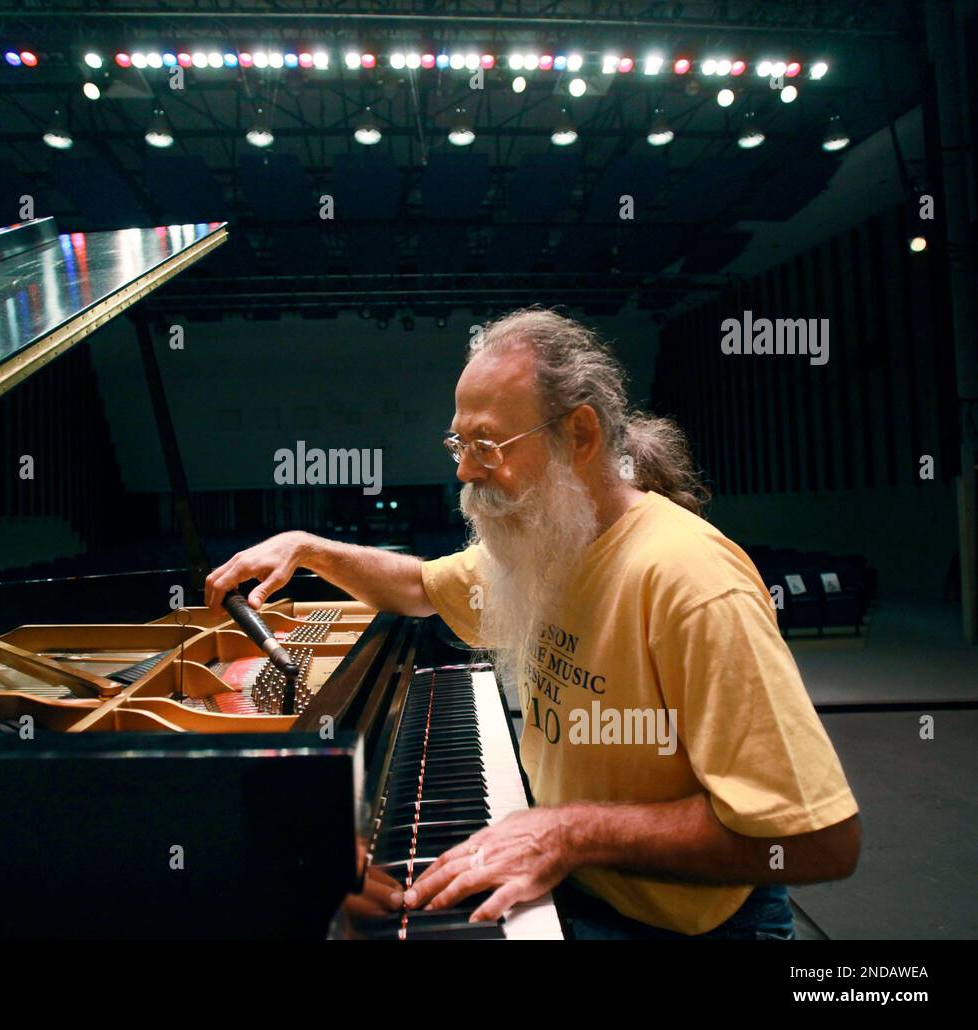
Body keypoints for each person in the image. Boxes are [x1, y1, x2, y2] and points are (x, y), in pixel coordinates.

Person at [205, 307, 860, 939]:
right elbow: (416, 586)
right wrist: (308, 546)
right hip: (586, 879)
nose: (462, 470)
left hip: (683, 926)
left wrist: (570, 831)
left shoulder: (689, 581)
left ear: (578, 435)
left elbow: (816, 840)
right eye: (458, 443)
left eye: (486, 444)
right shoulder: (544, 547)